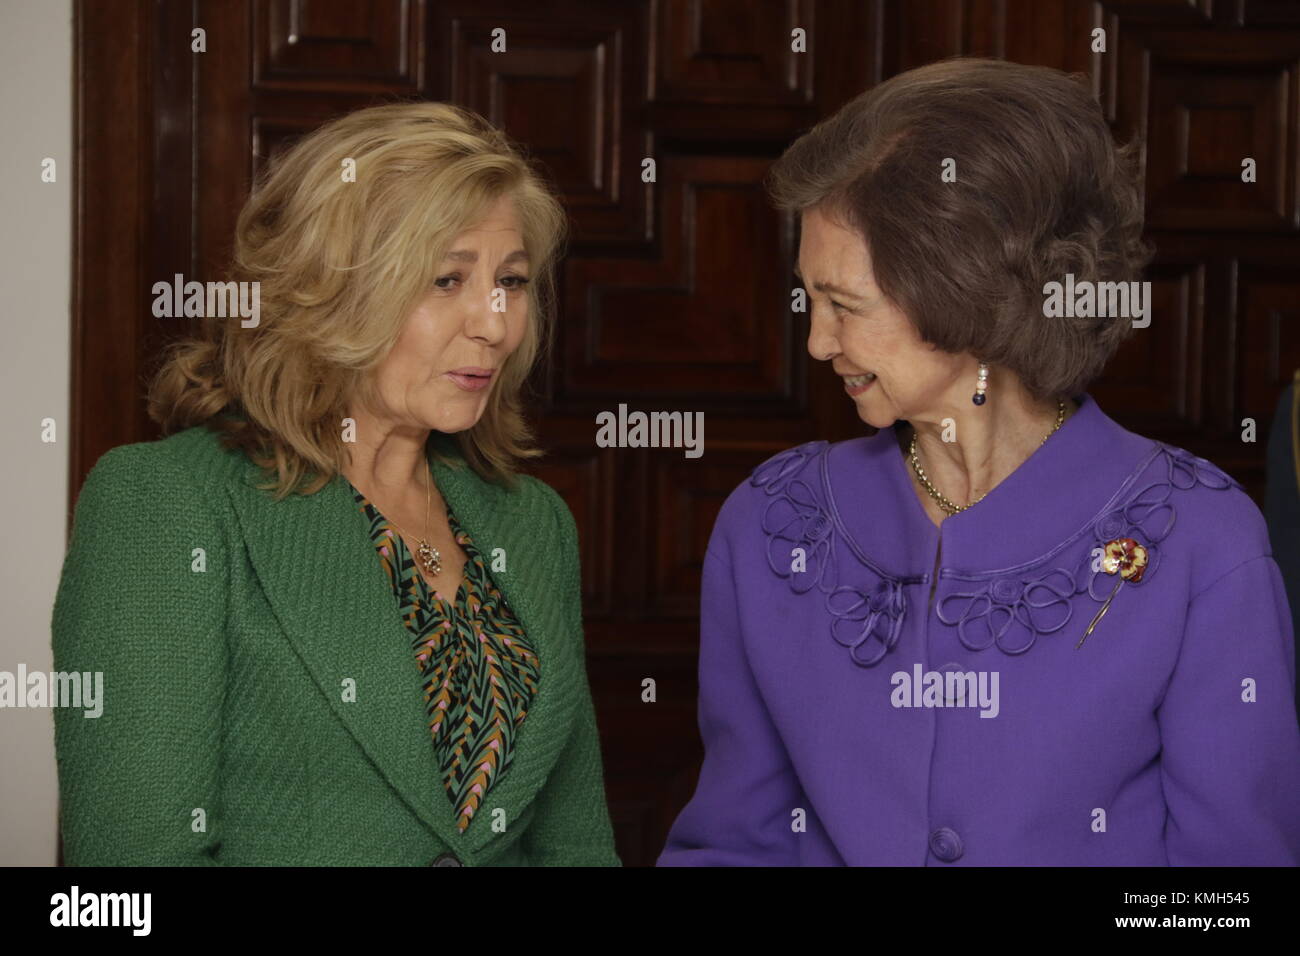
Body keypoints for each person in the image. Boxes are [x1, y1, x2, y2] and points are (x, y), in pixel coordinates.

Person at [658, 58, 1300, 866]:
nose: (818, 341)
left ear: (966, 290)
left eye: (844, 305)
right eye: (810, 300)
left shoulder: (1203, 543)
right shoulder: (769, 526)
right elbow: (734, 848)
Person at [52, 102, 620, 866]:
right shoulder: (167, 506)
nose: (495, 323)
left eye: (511, 282)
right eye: (447, 278)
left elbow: (576, 843)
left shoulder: (533, 522)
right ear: (332, 286)